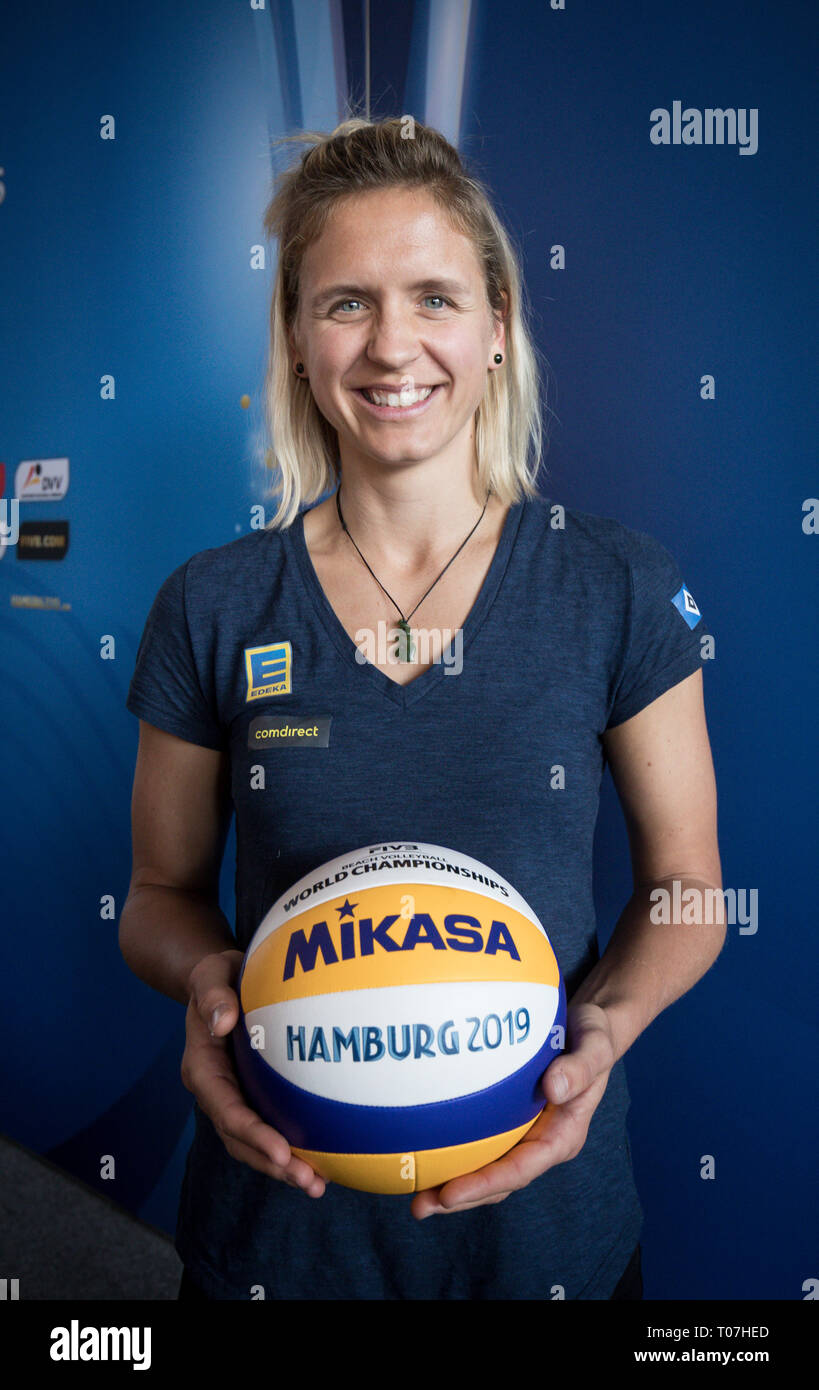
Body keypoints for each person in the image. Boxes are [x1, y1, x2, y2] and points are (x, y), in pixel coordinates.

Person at [120, 116, 725, 1301]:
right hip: (281, 1239)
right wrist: (205, 985)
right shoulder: (215, 602)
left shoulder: (614, 582)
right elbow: (156, 897)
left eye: (435, 298)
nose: (393, 345)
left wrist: (604, 1024)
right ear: (295, 338)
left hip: (548, 1241)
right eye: (345, 302)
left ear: (497, 326)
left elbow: (690, 890)